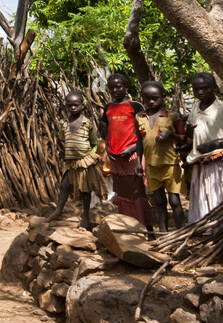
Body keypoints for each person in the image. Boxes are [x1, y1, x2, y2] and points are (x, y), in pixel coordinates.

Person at [185, 73, 223, 223]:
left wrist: (215, 144)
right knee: (205, 196)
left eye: (204, 88)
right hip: (202, 162)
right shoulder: (195, 107)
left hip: (220, 163)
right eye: (196, 89)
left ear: (213, 88)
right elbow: (192, 134)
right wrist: (189, 129)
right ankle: (209, 228)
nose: (200, 92)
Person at [99, 73, 155, 235]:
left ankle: (147, 228)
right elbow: (105, 130)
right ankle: (128, 226)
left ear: (126, 87)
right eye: (112, 87)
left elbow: (143, 131)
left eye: (119, 86)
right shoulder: (108, 108)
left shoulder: (135, 106)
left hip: (133, 155)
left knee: (138, 191)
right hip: (116, 157)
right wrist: (109, 148)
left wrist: (131, 150)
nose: (116, 90)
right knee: (123, 192)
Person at [47, 91, 108, 229]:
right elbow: (63, 139)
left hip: (84, 161)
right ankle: (59, 210)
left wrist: (86, 155)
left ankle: (85, 215)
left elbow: (93, 142)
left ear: (82, 105)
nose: (73, 108)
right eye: (69, 106)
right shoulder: (63, 123)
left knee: (85, 190)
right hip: (71, 162)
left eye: (76, 105)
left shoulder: (87, 123)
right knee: (64, 186)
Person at [136, 81, 187, 232]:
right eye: (147, 98)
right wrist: (139, 162)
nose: (151, 102)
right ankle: (163, 233)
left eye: (155, 98)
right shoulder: (140, 117)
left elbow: (183, 138)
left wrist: (171, 134)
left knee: (174, 201)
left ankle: (180, 233)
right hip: (151, 166)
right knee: (158, 201)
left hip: (170, 165)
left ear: (163, 97)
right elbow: (139, 140)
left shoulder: (172, 116)